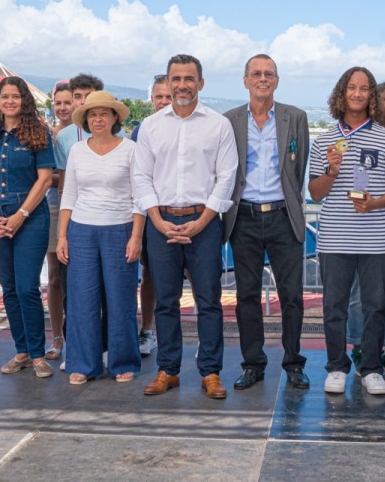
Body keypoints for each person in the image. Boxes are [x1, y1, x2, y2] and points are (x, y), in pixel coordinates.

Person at [133, 54, 238, 399]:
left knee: (209, 301)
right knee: (165, 301)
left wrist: (203, 221)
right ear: (167, 82)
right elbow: (141, 177)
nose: (182, 85)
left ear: (200, 83)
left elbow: (226, 177)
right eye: (175, 79)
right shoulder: (151, 126)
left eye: (189, 78)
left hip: (204, 223)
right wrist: (158, 220)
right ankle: (168, 370)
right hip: (160, 222)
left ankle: (210, 372)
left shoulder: (218, 125)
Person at [310, 66, 385, 396]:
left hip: (377, 239)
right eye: (351, 87)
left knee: (375, 306)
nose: (357, 93)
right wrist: (331, 171)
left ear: (371, 95)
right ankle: (337, 366)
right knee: (334, 307)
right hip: (335, 239)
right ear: (342, 93)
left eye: (364, 88)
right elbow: (315, 194)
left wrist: (376, 203)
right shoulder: (325, 140)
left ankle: (371, 368)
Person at [223, 55, 311, 390]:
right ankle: (252, 364)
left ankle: (293, 363)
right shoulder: (229, 120)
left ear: (277, 80)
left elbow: (298, 167)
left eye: (269, 74)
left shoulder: (296, 117)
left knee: (292, 295)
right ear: (245, 80)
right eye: (256, 74)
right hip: (243, 217)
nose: (262, 78)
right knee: (247, 295)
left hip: (283, 216)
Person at [57, 92, 144, 384]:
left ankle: (123, 362)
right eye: (92, 115)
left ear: (114, 117)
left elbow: (139, 197)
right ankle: (83, 363)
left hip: (120, 229)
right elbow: (69, 194)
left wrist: (136, 237)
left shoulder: (131, 149)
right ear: (86, 120)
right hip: (81, 230)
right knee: (81, 299)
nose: (98, 119)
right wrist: (62, 236)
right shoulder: (77, 151)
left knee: (121, 300)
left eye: (104, 114)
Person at [0, 77, 57, 378]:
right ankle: (21, 351)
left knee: (27, 288)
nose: (10, 101)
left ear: (24, 100)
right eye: (5, 96)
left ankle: (38, 354)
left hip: (31, 218)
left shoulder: (39, 132)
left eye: (15, 96)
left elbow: (45, 179)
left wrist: (21, 214)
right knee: (9, 288)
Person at [346, 80, 385, 382]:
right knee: (360, 296)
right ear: (376, 102)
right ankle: (359, 346)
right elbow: (356, 179)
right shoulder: (362, 136)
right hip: (366, 229)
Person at [50, 73, 104, 362]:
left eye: (88, 97)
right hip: (75, 221)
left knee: (105, 288)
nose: (82, 102)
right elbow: (62, 185)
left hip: (107, 221)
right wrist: (64, 228)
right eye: (77, 97)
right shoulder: (65, 136)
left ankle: (105, 346)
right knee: (72, 286)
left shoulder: (117, 135)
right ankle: (75, 348)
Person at [133, 74, 173, 357]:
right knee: (149, 273)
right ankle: (147, 330)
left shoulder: (194, 127)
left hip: (185, 213)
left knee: (195, 276)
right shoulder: (141, 131)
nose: (164, 101)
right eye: (159, 96)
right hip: (150, 213)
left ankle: (202, 334)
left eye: (168, 96)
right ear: (151, 99)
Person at [44, 81, 74, 361]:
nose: (63, 108)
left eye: (68, 102)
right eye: (58, 103)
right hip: (54, 205)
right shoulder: (49, 135)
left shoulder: (84, 133)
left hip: (79, 209)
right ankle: (57, 336)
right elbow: (44, 175)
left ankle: (77, 334)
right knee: (54, 277)